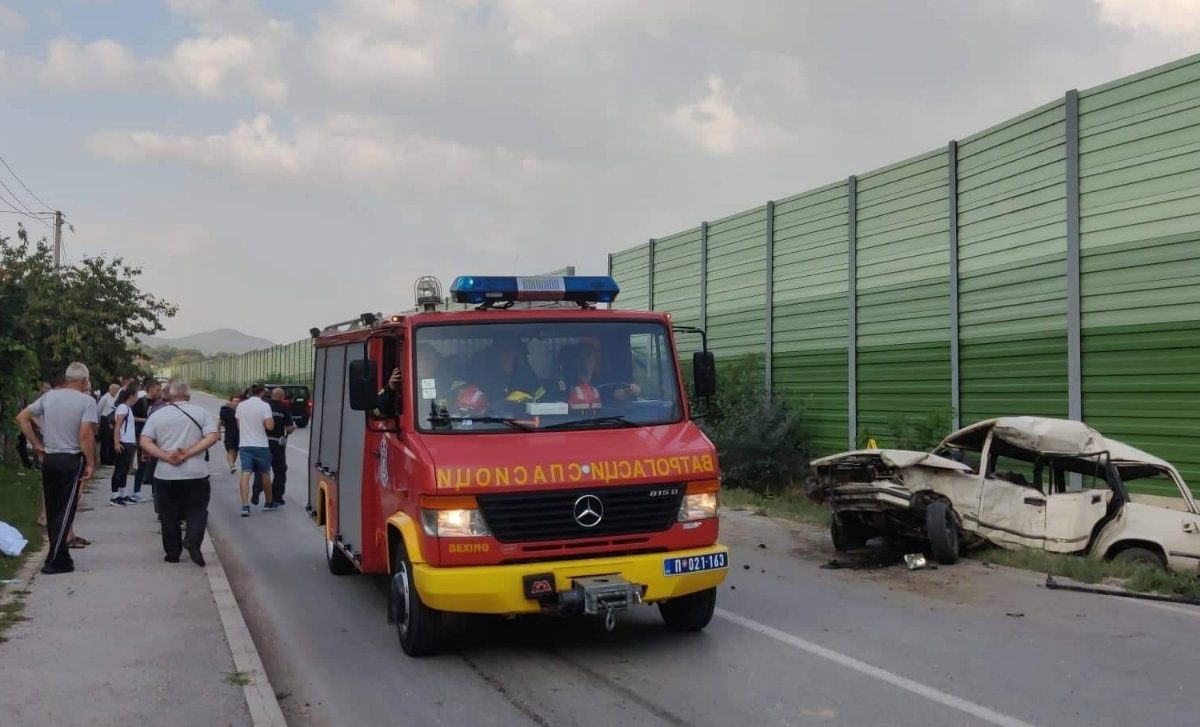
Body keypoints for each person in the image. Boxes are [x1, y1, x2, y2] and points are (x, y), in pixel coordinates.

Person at [15, 362, 98, 575]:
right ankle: (54, 560)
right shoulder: (87, 401)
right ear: (84, 381)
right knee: (67, 508)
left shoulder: (49, 397)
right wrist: (90, 462)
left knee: (53, 509)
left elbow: (22, 417)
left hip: (50, 458)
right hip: (71, 458)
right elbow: (85, 435)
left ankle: (61, 556)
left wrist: (36, 444)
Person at [139, 381, 219, 566]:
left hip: (165, 473)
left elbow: (145, 441)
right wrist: (188, 453)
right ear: (189, 395)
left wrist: (166, 456)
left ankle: (172, 552)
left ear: (168, 396)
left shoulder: (158, 415)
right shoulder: (202, 413)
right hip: (196, 472)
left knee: (168, 514)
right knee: (197, 509)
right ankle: (192, 540)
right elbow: (213, 436)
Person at [235, 383, 276, 516]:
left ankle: (245, 506)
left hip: (245, 445)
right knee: (265, 473)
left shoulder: (241, 405)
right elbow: (270, 427)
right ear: (262, 392)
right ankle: (269, 502)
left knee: (245, 473)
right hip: (261, 445)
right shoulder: (265, 406)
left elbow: (239, 425)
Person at [129, 379, 162, 503]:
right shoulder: (141, 402)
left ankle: (155, 492)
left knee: (155, 464)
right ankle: (137, 491)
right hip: (142, 435)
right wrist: (146, 421)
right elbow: (132, 417)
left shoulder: (160, 403)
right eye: (157, 390)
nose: (159, 392)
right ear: (150, 389)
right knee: (142, 463)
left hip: (157, 438)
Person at [265, 387, 296, 506]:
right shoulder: (284, 408)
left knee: (263, 470)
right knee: (280, 470)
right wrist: (291, 429)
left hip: (261, 442)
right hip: (276, 443)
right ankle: (276, 497)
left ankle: (257, 491)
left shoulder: (264, 406)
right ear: (282, 397)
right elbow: (289, 428)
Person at [110, 385, 139, 505]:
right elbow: (118, 425)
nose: (137, 398)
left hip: (129, 442)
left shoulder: (128, 408)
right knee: (120, 469)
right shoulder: (123, 408)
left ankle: (122, 493)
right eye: (136, 395)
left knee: (125, 469)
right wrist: (116, 442)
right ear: (132, 396)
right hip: (124, 442)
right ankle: (114, 495)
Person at [97, 383, 119, 465]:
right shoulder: (105, 398)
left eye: (117, 390)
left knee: (112, 440)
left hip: (113, 420)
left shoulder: (116, 398)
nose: (116, 391)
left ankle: (111, 460)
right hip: (105, 419)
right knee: (105, 441)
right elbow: (99, 409)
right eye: (115, 390)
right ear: (111, 389)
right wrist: (99, 422)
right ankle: (104, 460)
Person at [218, 394, 241, 474]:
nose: (237, 403)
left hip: (239, 434)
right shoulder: (225, 410)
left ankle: (233, 464)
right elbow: (220, 422)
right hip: (229, 433)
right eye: (235, 401)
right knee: (230, 450)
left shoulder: (241, 410)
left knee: (236, 451)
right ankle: (231, 465)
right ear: (230, 402)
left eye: (238, 401)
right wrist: (218, 433)